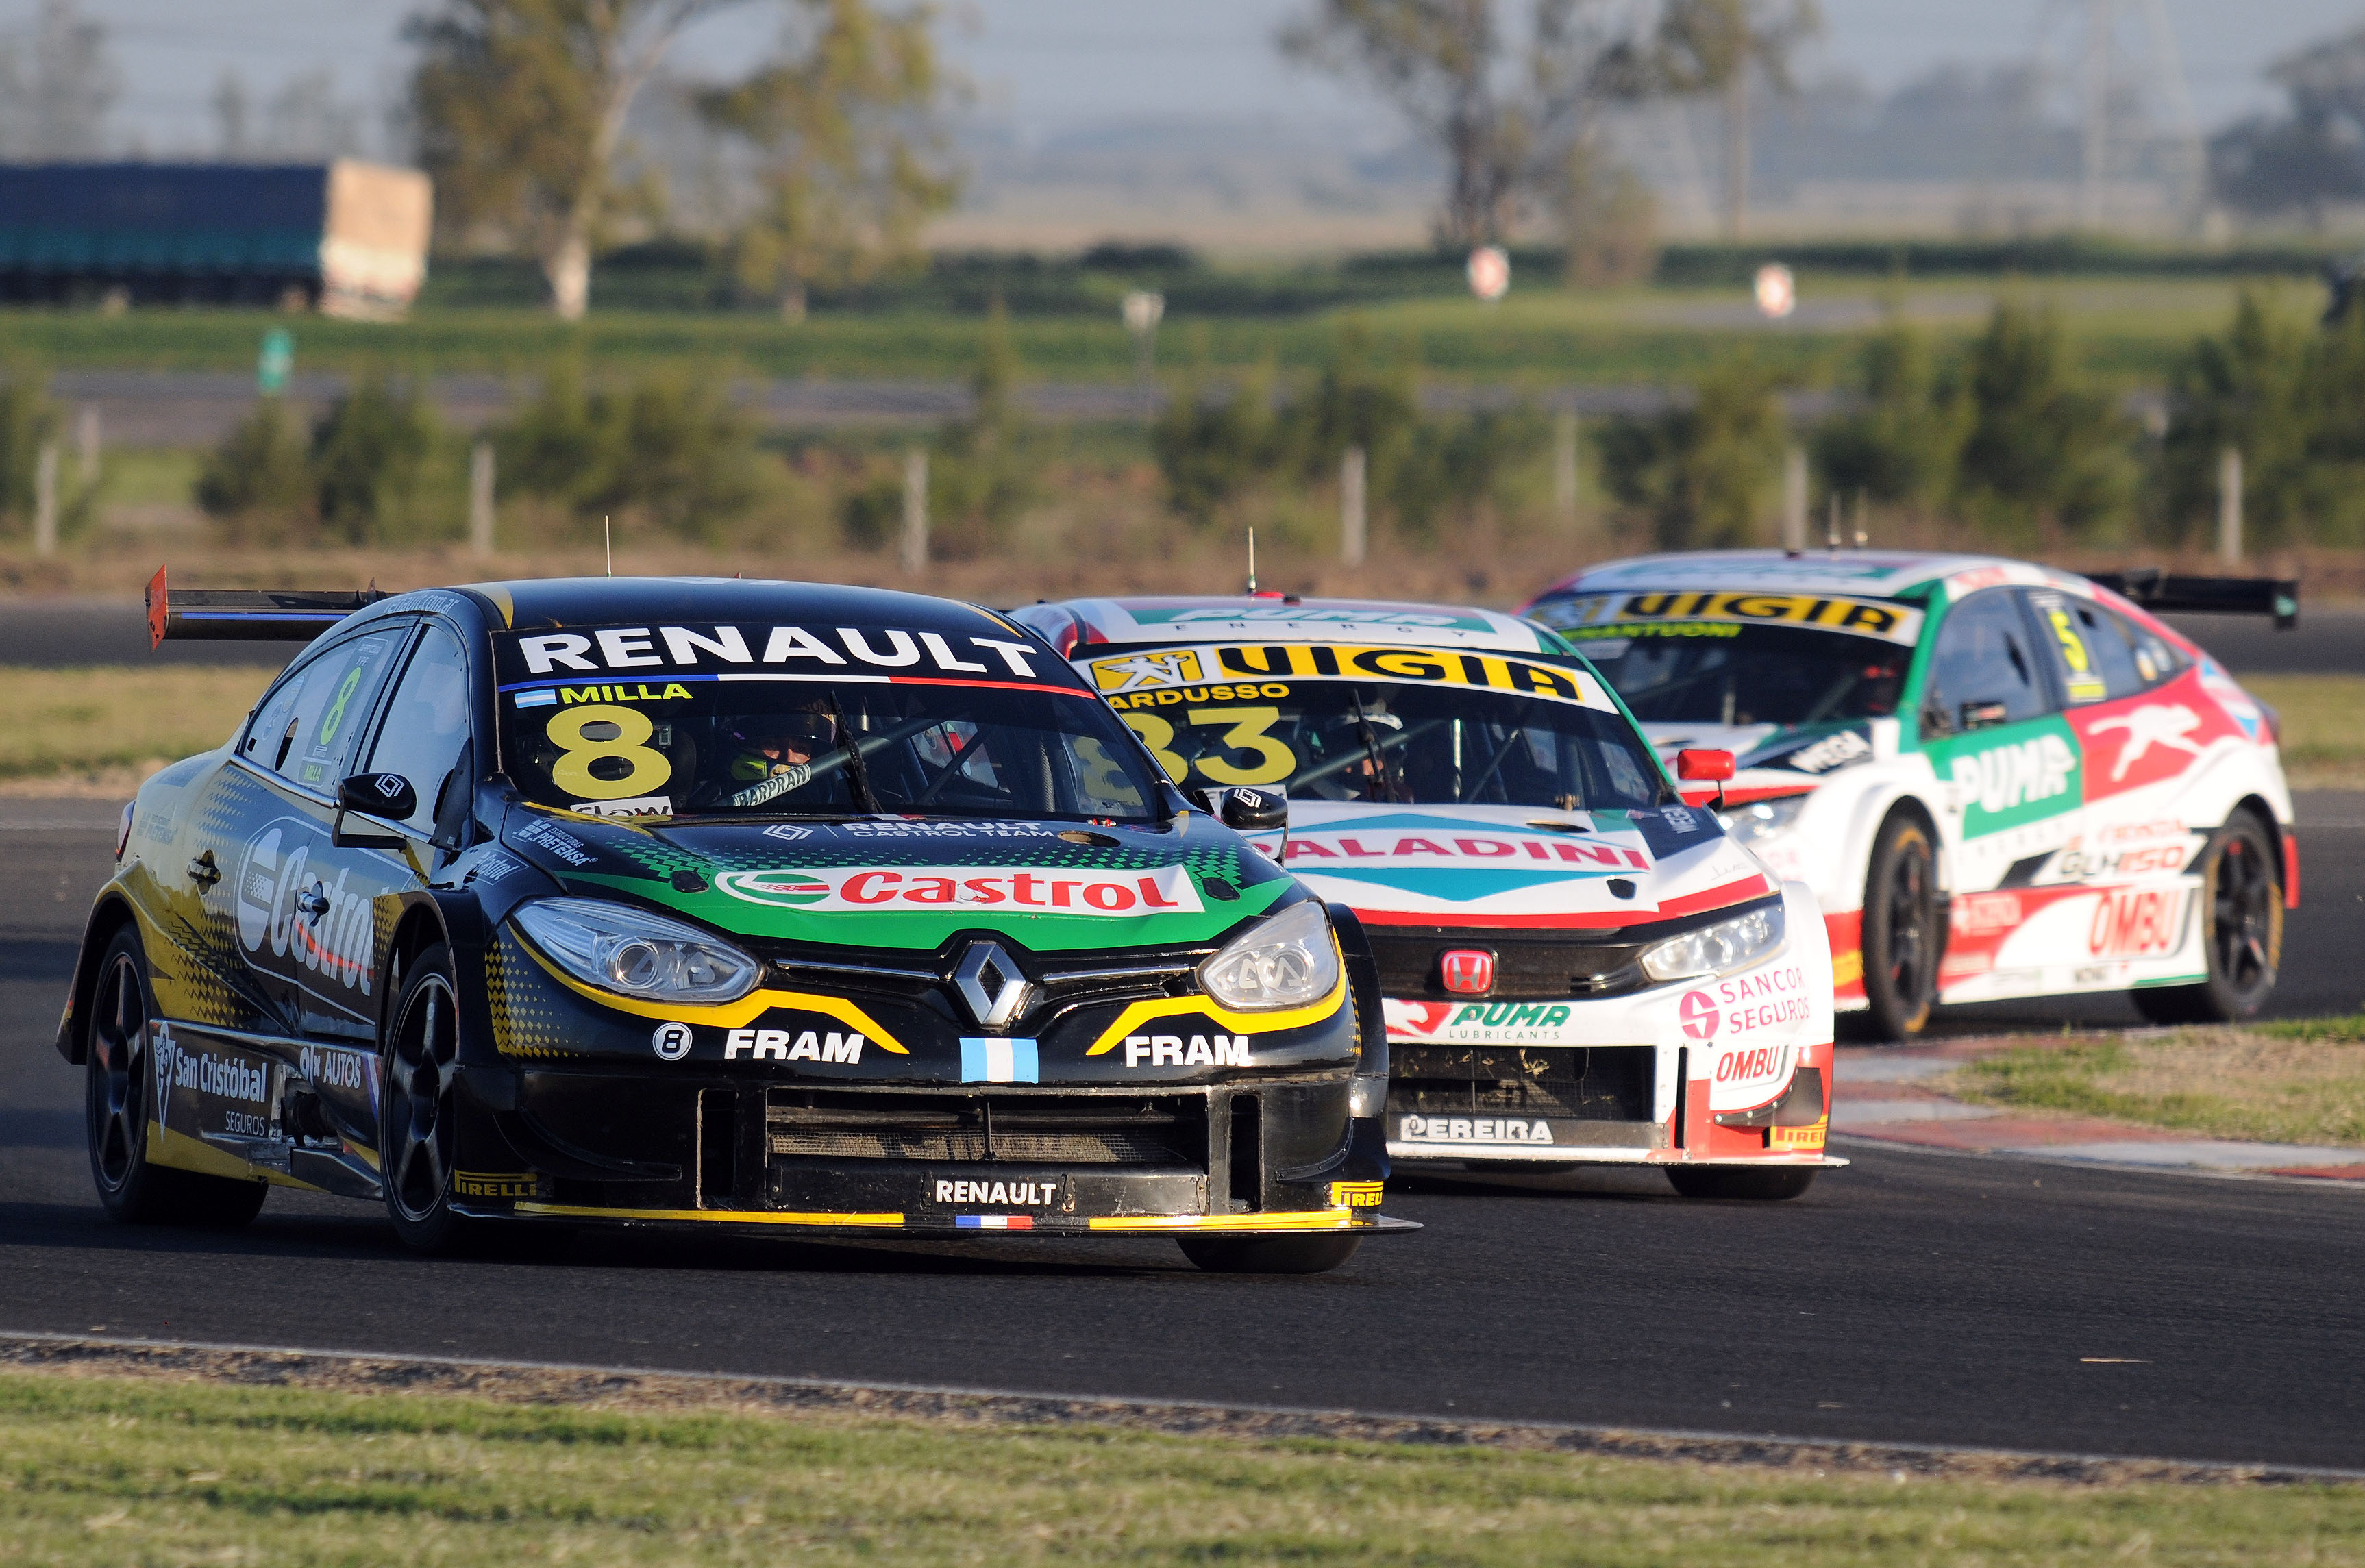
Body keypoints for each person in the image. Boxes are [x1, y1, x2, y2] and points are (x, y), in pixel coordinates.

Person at [723, 704, 841, 808]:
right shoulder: (711, 800)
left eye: (800, 749)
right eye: (771, 745)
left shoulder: (845, 803)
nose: (788, 758)